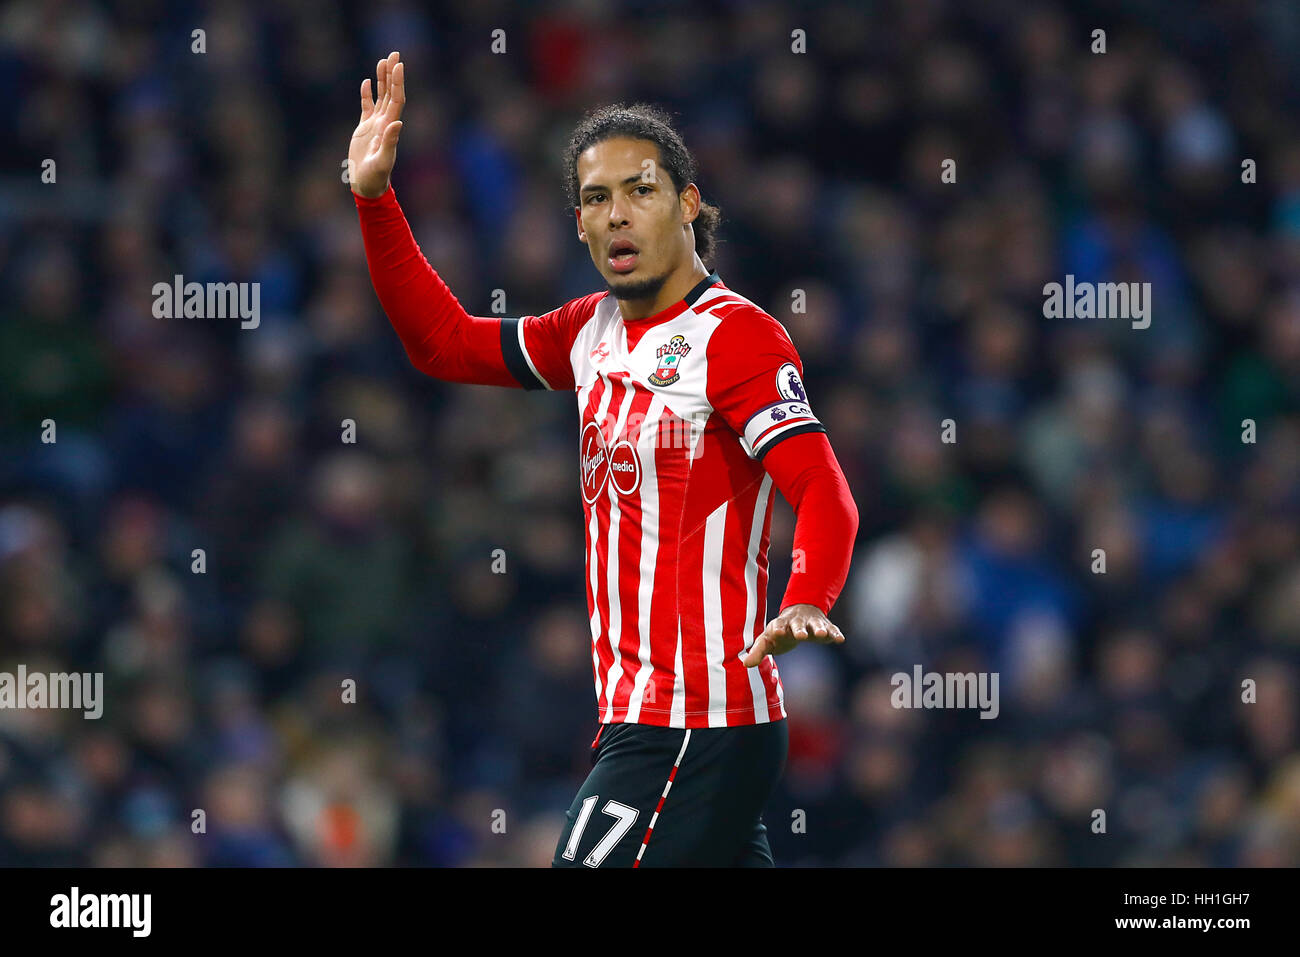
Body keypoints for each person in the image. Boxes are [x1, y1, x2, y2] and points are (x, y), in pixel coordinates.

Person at [348, 52, 859, 867]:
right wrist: (374, 200)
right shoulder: (590, 331)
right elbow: (442, 343)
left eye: (640, 191)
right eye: (595, 199)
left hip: (696, 720)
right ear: (578, 224)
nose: (616, 214)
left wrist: (807, 594)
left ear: (689, 204)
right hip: (647, 717)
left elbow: (824, 489)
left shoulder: (736, 337)